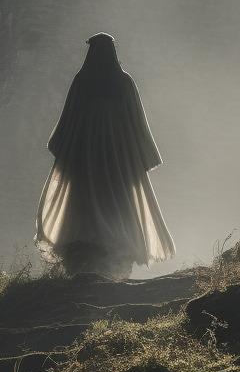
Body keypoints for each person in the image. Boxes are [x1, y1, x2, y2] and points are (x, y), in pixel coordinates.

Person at [37, 33, 175, 278]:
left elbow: (69, 120)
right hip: (118, 159)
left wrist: (64, 147)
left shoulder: (83, 81)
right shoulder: (122, 82)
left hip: (84, 159)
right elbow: (136, 121)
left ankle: (91, 260)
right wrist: (142, 154)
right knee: (119, 201)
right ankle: (114, 257)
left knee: (85, 202)